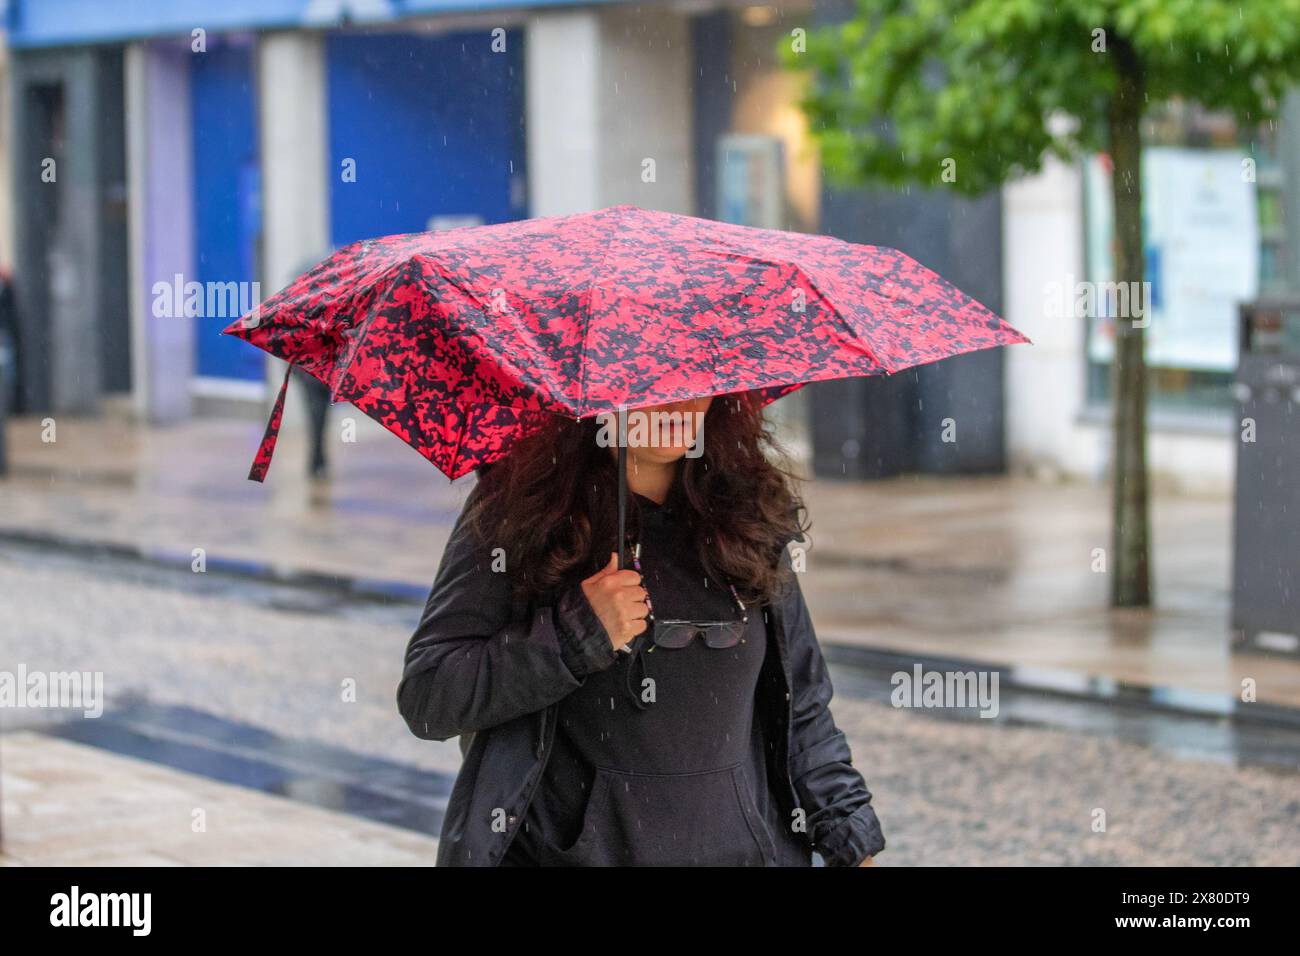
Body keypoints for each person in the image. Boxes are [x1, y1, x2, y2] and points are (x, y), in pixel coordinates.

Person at [396, 391, 886, 867]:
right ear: (596, 390)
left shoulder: (749, 511)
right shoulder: (520, 508)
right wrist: (575, 635)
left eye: (697, 382)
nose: (677, 404)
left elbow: (800, 707)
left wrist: (850, 837)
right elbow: (430, 695)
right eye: (652, 386)